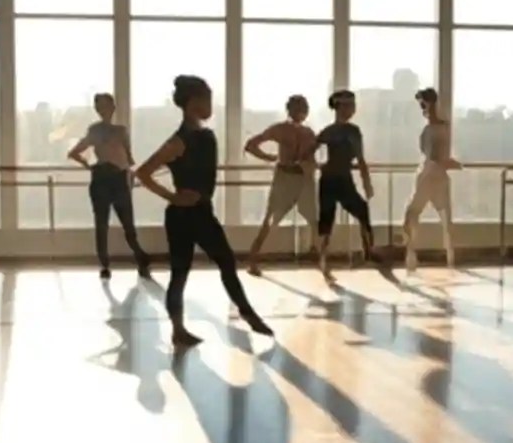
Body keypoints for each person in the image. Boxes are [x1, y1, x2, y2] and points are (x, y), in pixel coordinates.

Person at [134, 75, 274, 348]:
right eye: (206, 99)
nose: (211, 104)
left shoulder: (205, 135)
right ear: (192, 103)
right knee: (181, 272)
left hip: (203, 212)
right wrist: (173, 196)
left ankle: (247, 312)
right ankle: (180, 330)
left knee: (226, 261)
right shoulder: (178, 141)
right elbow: (143, 172)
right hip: (183, 216)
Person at [67, 93, 152, 279]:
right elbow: (74, 152)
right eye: (100, 106)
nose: (103, 110)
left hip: (117, 178)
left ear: (112, 107)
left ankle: (139, 258)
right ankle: (106, 264)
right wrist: (89, 165)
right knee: (102, 224)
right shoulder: (98, 130)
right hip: (105, 178)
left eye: (106, 106)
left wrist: (128, 176)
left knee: (126, 224)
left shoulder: (119, 131)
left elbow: (129, 159)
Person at [244, 94, 319, 276]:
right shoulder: (281, 129)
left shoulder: (308, 133)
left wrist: (307, 166)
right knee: (269, 219)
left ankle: (321, 260)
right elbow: (251, 145)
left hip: (302, 179)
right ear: (290, 110)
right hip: (284, 177)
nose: (301, 112)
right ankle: (252, 261)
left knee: (314, 220)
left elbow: (312, 160)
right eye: (298, 108)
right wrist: (271, 158)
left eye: (303, 108)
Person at [313, 89, 380, 279]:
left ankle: (364, 252)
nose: (353, 108)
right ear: (340, 107)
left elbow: (310, 150)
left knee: (340, 215)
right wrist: (366, 182)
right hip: (337, 178)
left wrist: (366, 181)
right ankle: (363, 252)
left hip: (333, 178)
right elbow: (360, 158)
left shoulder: (331, 131)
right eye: (350, 105)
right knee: (333, 217)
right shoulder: (349, 131)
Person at [404, 87, 459, 272]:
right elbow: (433, 154)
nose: (423, 110)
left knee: (418, 214)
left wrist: (444, 162)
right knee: (436, 216)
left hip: (432, 175)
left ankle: (415, 254)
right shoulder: (433, 129)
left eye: (424, 105)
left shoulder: (437, 129)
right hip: (432, 174)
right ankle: (415, 254)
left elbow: (435, 154)